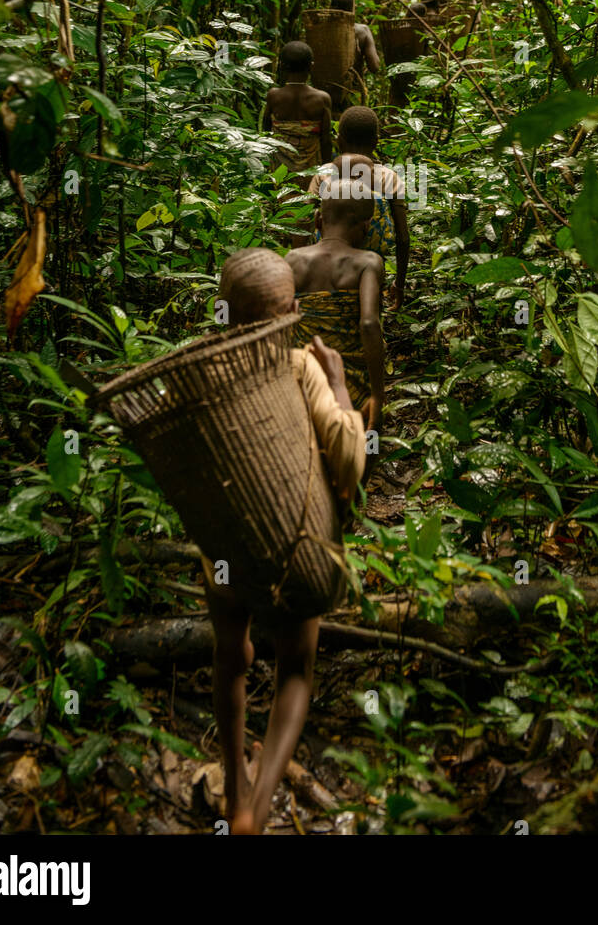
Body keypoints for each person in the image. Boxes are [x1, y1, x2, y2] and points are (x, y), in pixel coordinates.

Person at [204, 247, 365, 836]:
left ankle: (234, 788)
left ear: (223, 312)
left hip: (222, 553)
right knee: (295, 665)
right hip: (292, 544)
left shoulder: (203, 372)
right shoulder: (302, 367)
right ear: (293, 311)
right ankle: (258, 806)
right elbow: (348, 463)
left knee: (231, 655)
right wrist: (343, 386)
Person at [287, 180, 385, 435]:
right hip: (351, 382)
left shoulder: (293, 260)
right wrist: (377, 394)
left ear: (318, 219)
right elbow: (369, 323)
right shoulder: (368, 262)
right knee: (365, 439)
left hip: (305, 378)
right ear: (365, 227)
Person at [306, 106, 410, 309]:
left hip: (325, 263)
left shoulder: (323, 175)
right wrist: (400, 283)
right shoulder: (389, 177)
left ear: (339, 139)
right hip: (371, 266)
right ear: (376, 141)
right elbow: (402, 236)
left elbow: (304, 222)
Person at [263, 41, 332, 178]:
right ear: (311, 67)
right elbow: (325, 140)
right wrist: (327, 172)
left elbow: (266, 131)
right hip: (312, 171)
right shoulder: (322, 99)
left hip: (279, 173)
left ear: (281, 66)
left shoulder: (274, 95)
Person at [330, 0, 381, 99]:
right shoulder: (362, 31)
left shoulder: (319, 28)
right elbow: (375, 66)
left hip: (323, 92)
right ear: (352, 8)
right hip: (352, 93)